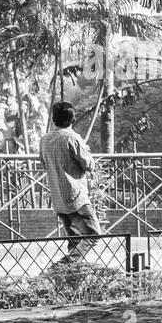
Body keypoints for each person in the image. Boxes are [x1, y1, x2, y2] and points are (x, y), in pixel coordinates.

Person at [38, 102, 102, 263]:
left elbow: (44, 164)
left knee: (74, 241)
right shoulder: (72, 138)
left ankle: (70, 274)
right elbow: (89, 165)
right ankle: (63, 265)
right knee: (93, 234)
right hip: (76, 197)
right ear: (73, 119)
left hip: (58, 198)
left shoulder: (44, 140)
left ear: (54, 119)